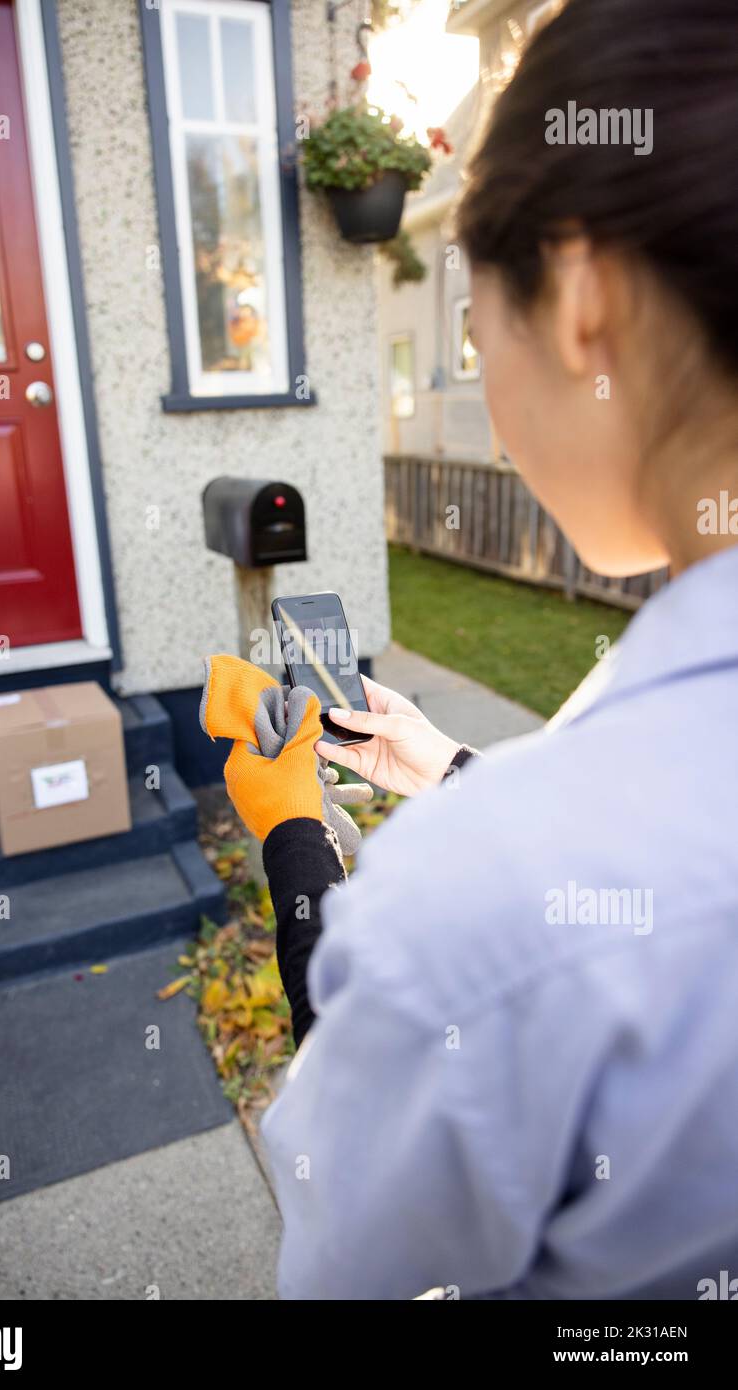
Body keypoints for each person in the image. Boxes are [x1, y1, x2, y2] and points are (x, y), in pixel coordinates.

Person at [206, 0, 738, 1299]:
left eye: (473, 313)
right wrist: (452, 775)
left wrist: (296, 844)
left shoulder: (469, 909)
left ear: (583, 301)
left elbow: (350, 1250)